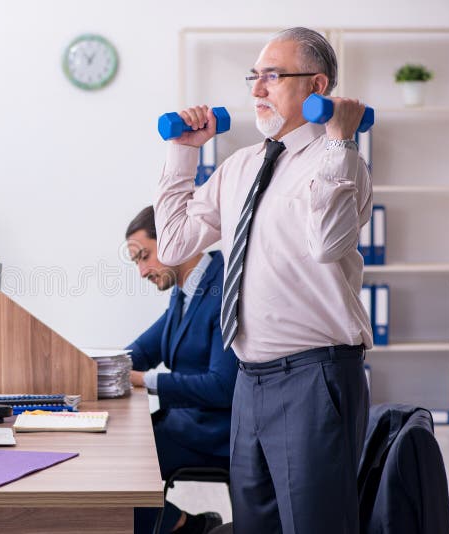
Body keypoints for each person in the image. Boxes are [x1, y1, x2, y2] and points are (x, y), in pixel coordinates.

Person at [153, 27, 372, 534]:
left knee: (314, 525)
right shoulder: (241, 166)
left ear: (317, 87)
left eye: (271, 77)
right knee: (255, 525)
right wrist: (184, 152)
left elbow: (327, 244)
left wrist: (340, 139)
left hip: (315, 378)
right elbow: (173, 246)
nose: (256, 90)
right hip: (249, 380)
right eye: (255, 77)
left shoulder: (340, 162)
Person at [125, 206, 238, 534]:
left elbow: (222, 385)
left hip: (213, 433)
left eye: (145, 256)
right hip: (185, 425)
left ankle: (181, 527)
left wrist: (145, 380)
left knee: (120, 470)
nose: (143, 271)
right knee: (114, 460)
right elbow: (144, 350)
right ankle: (184, 525)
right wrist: (92, 366)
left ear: (174, 239)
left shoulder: (221, 287)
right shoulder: (184, 291)